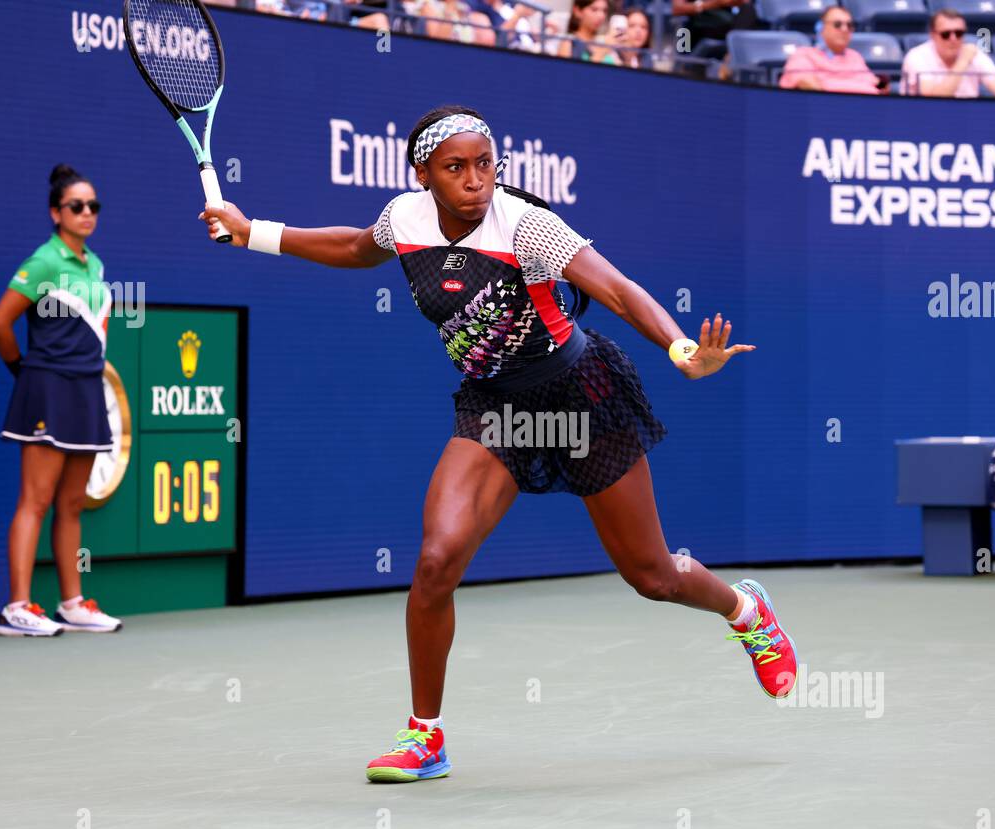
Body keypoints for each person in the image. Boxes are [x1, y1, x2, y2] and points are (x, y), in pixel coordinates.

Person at [200, 106, 800, 782]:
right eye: (456, 167)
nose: (475, 180)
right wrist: (255, 234)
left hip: (578, 397)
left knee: (652, 574)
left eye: (484, 164)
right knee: (435, 560)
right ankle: (425, 736)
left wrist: (681, 347)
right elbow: (352, 248)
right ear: (422, 172)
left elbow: (619, 290)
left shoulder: (526, 225)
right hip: (495, 405)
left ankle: (747, 611)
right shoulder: (405, 219)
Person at [0, 165, 123, 637]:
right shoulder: (44, 262)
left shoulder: (97, 266)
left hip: (87, 390)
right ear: (55, 212)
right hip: (46, 387)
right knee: (36, 500)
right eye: (76, 206)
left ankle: (72, 603)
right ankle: (17, 608)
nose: (87, 213)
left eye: (93, 206)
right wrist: (23, 373)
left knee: (71, 504)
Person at [902, 8, 995, 98]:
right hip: (923, 121)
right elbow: (934, 100)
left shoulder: (975, 54)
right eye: (946, 34)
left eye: (959, 33)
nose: (953, 39)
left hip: (967, 119)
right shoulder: (917, 57)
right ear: (933, 35)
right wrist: (962, 61)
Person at [780, 6, 883, 94]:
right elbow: (808, 85)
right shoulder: (804, 54)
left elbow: (876, 86)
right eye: (837, 24)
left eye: (849, 25)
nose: (845, 29)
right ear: (821, 28)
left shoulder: (855, 56)